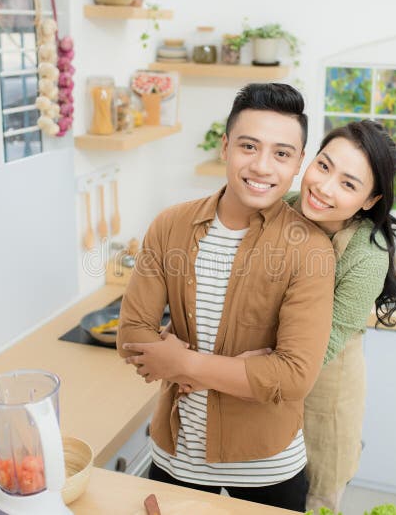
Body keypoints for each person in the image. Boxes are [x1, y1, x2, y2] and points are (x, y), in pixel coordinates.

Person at [117, 83, 335, 511]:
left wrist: (183, 362)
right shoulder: (169, 227)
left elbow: (293, 376)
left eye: (282, 153)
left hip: (268, 466)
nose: (262, 166)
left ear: (298, 165)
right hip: (176, 458)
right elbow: (131, 335)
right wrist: (246, 370)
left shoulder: (309, 249)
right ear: (225, 147)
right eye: (248, 146)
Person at [285, 119, 396, 512]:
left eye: (348, 184)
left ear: (370, 200)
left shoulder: (367, 253)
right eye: (323, 166)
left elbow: (324, 342)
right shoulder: (282, 209)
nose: (323, 187)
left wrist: (239, 376)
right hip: (264, 385)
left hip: (323, 395)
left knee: (314, 498)